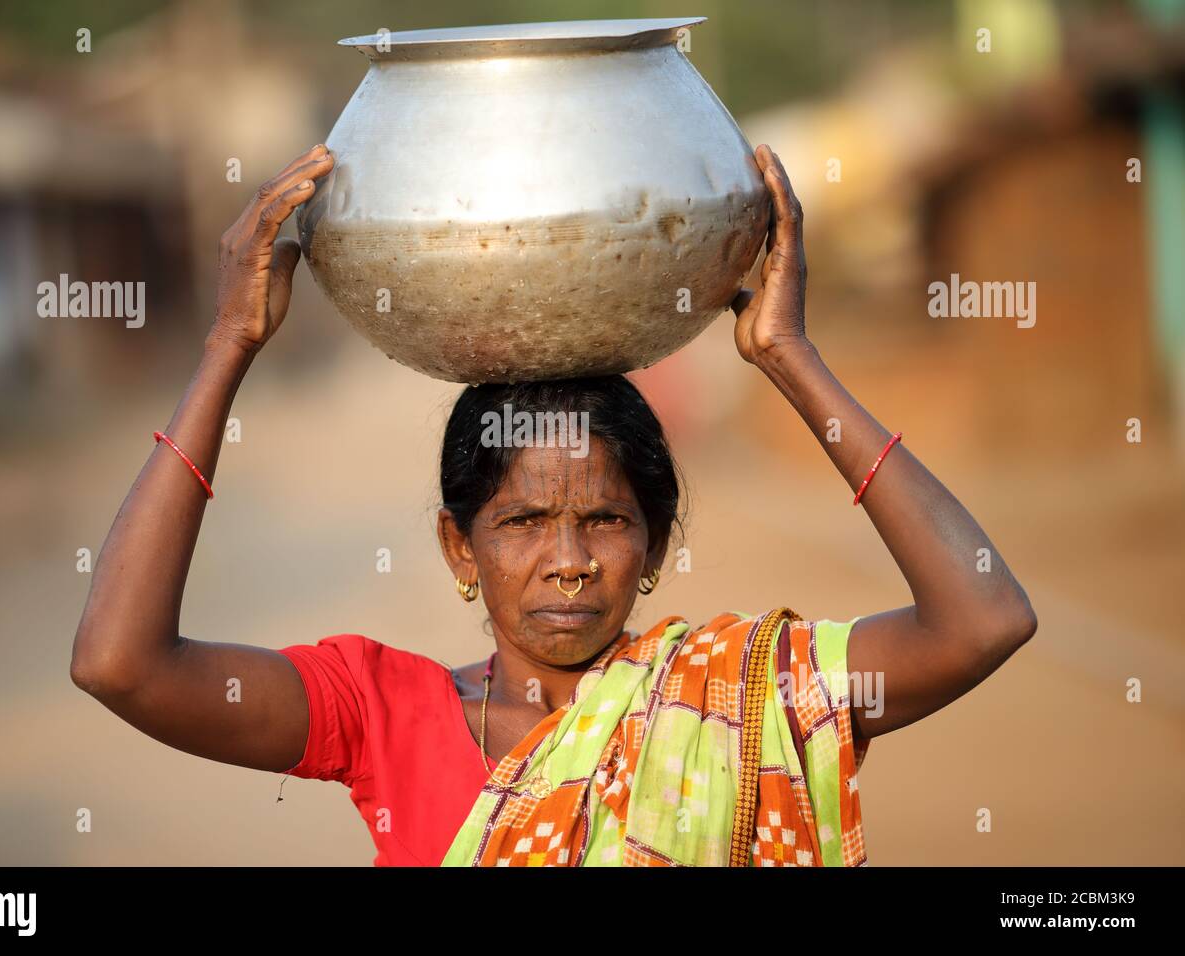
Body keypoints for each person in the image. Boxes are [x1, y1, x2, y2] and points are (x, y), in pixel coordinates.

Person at [71, 143, 1037, 867]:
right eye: (524, 523)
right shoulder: (381, 711)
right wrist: (228, 345)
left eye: (607, 521)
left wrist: (789, 355)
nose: (568, 558)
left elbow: (982, 618)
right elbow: (121, 665)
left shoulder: (731, 699)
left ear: (655, 546)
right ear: (460, 547)